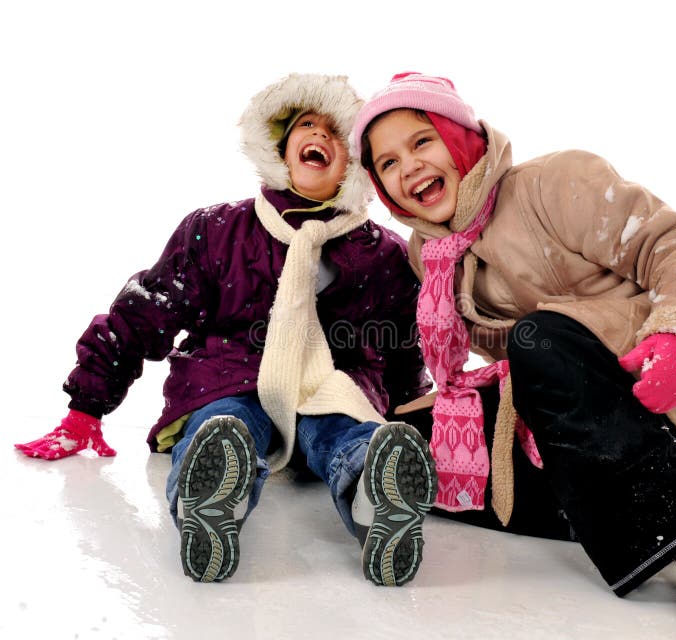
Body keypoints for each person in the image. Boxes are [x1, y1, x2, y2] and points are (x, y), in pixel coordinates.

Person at [352, 72, 676, 631]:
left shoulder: (554, 182)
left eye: (421, 142)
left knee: (537, 335)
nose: (407, 166)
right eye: (387, 164)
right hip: (557, 405)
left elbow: (674, 243)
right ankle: (604, 509)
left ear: (459, 139)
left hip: (644, 380)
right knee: (412, 438)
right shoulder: (430, 256)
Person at [14, 73, 438, 588]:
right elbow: (148, 310)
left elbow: (403, 345)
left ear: (354, 167)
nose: (321, 137)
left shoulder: (381, 254)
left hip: (331, 386)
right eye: (309, 126)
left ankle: (378, 490)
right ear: (282, 148)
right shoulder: (220, 230)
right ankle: (215, 492)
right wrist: (87, 405)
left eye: (337, 135)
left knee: (345, 430)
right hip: (229, 377)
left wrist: (415, 416)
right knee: (226, 417)